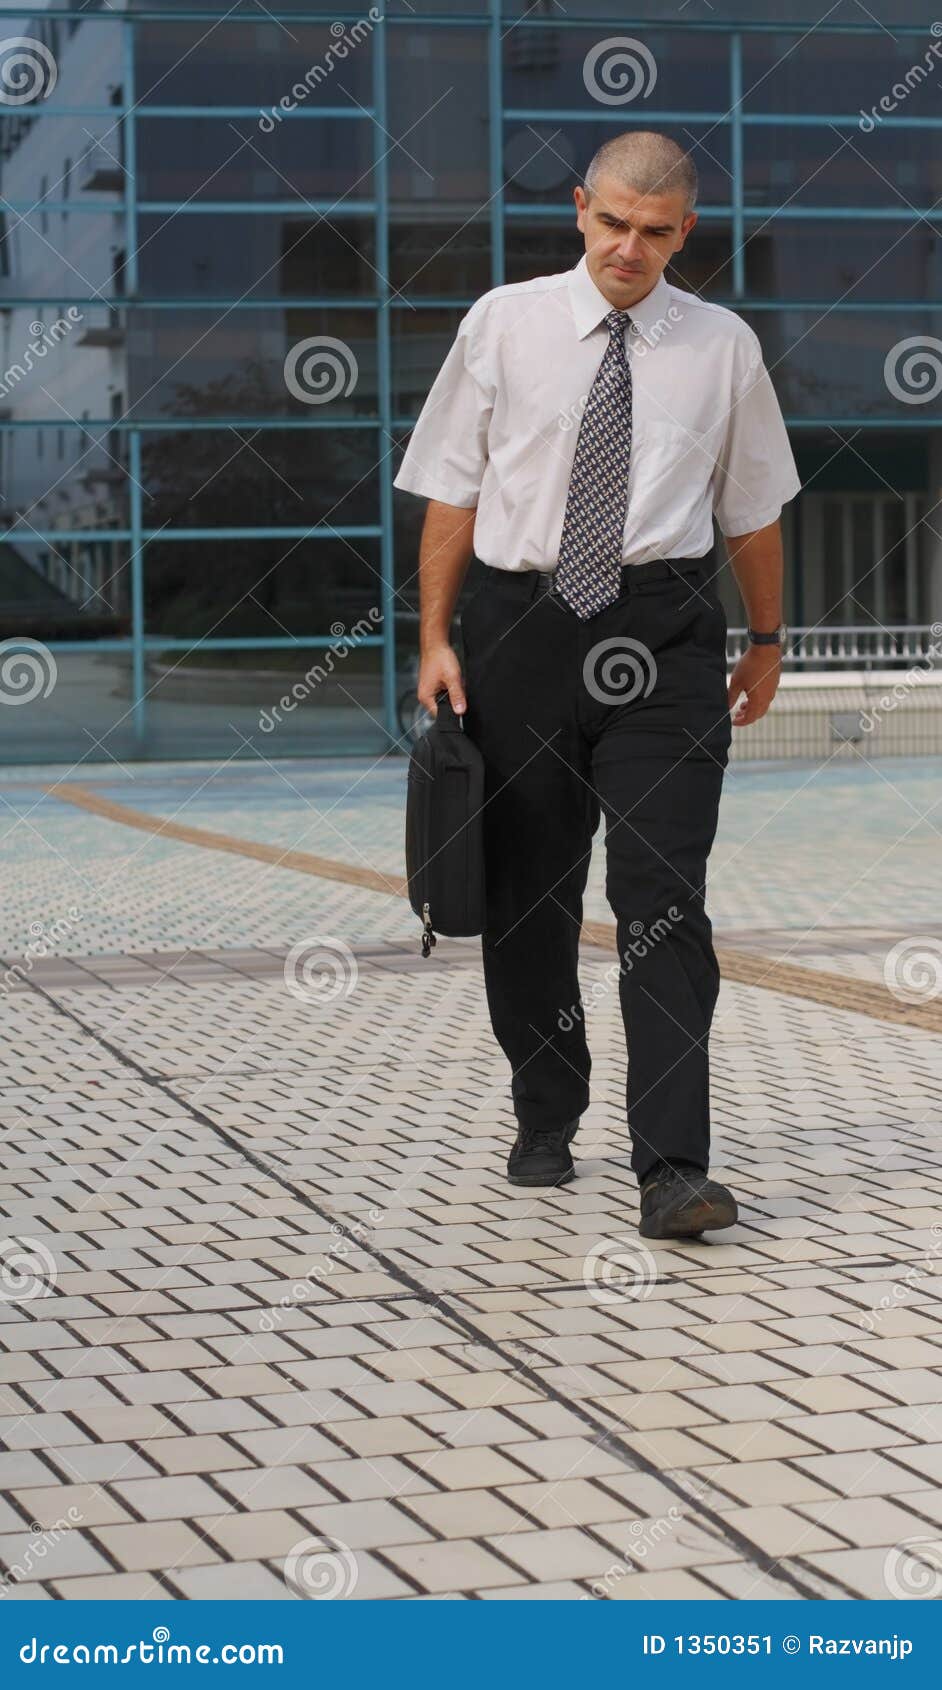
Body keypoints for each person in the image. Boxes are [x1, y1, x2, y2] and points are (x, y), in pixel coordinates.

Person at [393, 130, 801, 1240]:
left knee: (663, 894)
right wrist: (434, 639)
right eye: (613, 222)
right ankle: (545, 1105)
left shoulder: (722, 347)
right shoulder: (504, 321)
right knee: (531, 890)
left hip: (663, 631)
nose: (630, 248)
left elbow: (753, 506)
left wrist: (766, 638)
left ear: (687, 232)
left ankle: (672, 1168)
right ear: (580, 207)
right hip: (517, 625)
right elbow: (450, 490)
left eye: (655, 232)